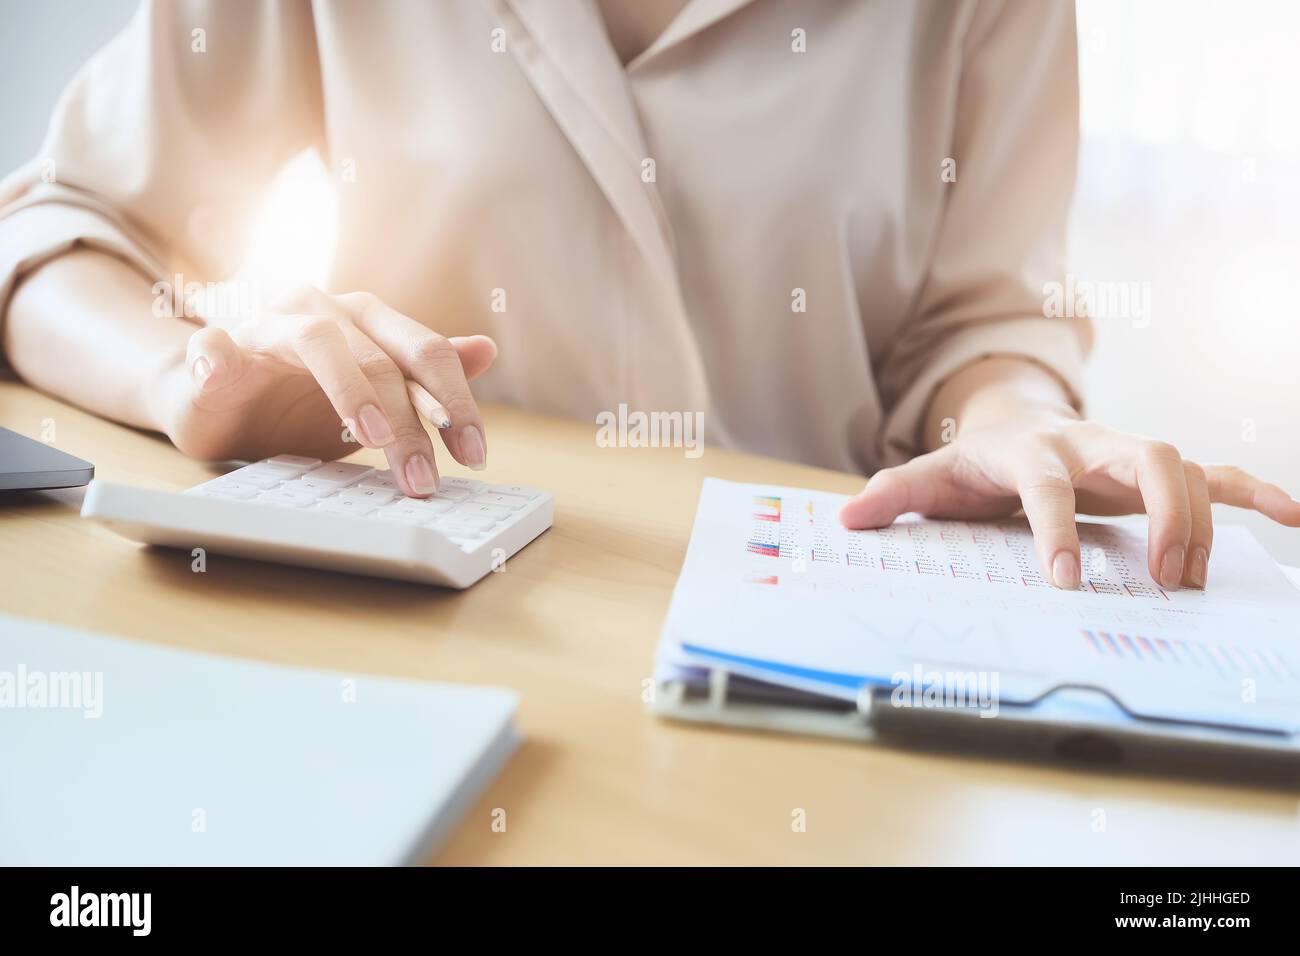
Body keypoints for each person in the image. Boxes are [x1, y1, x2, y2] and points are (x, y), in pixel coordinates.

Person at [1, 0, 1295, 592]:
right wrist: (188, 380)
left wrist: (1005, 413)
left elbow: (981, 324)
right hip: (407, 604)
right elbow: (54, 237)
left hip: (817, 623)